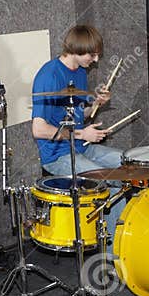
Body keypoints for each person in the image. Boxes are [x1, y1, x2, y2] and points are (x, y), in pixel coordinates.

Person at [32, 25, 123, 237]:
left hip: (82, 147)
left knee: (125, 165)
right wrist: (83, 134)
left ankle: (120, 237)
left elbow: (82, 114)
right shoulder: (49, 76)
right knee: (104, 182)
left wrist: (97, 103)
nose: (96, 60)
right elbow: (39, 129)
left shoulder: (80, 72)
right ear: (77, 50)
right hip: (58, 155)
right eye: (92, 55)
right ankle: (110, 255)